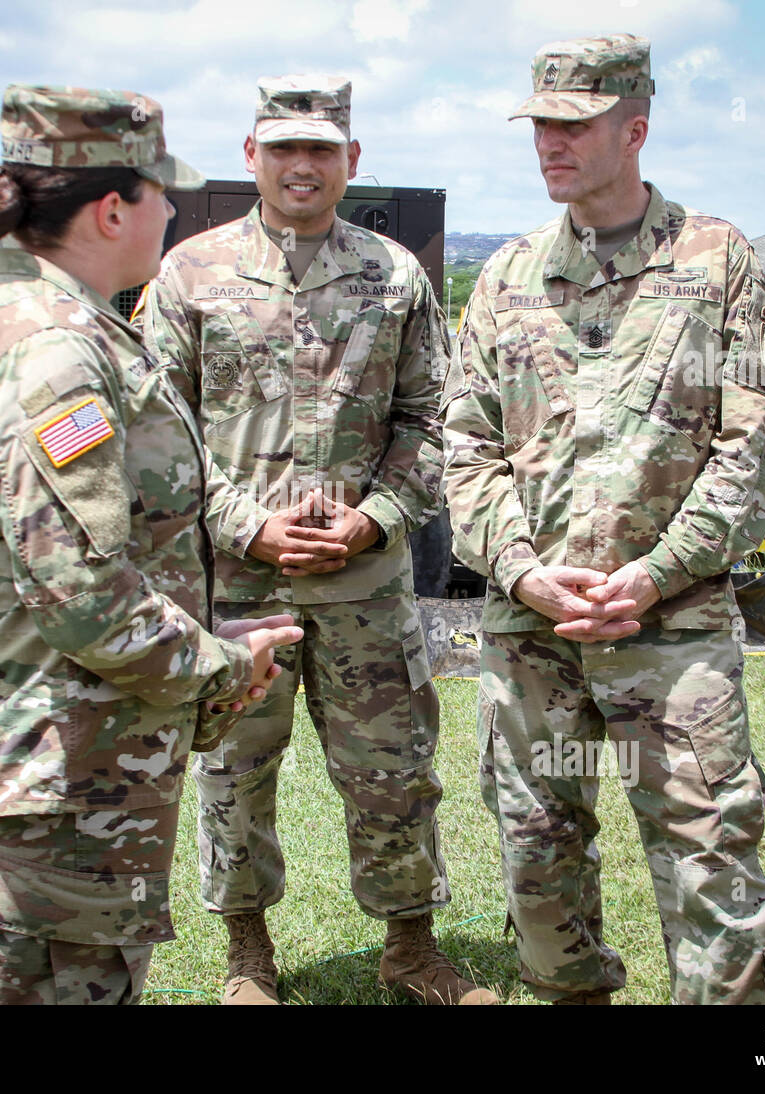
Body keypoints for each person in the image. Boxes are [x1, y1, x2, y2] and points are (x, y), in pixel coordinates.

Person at [0, 85, 302, 1005]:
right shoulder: (52, 345)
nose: (173, 211)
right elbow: (79, 586)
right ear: (113, 206)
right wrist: (219, 667)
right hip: (68, 760)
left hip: (75, 745)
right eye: (162, 191)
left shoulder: (24, 319)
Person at [441, 35, 765, 1005]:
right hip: (532, 631)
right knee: (535, 857)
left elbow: (748, 446)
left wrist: (653, 571)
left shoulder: (717, 262)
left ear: (633, 130)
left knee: (708, 859)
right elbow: (464, 446)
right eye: (540, 125)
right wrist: (518, 569)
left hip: (668, 630)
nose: (548, 143)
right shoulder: (506, 277)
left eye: (573, 125)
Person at [142, 75, 495, 1005]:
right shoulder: (188, 275)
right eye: (284, 148)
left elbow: (433, 416)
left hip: (365, 585)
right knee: (233, 770)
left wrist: (375, 516)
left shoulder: (395, 274)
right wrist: (246, 525)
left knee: (393, 773)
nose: (303, 165)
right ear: (251, 156)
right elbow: (158, 435)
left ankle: (412, 948)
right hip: (240, 588)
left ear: (352, 161)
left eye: (322, 150)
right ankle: (247, 956)